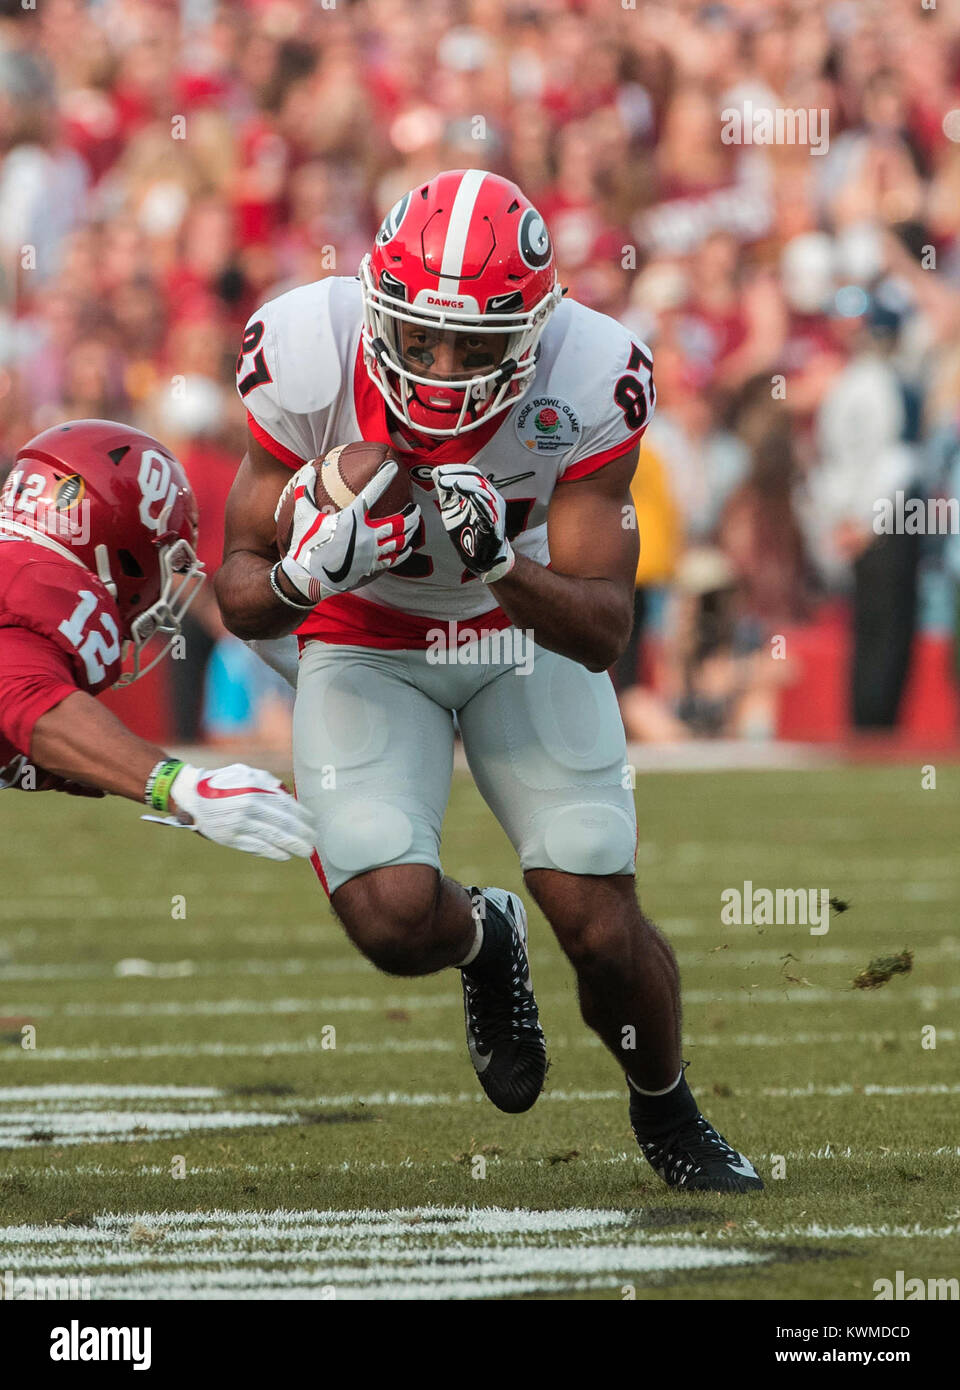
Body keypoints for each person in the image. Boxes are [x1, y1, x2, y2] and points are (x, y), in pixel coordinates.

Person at [215, 170, 762, 1191]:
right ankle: (484, 937)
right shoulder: (305, 350)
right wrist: (301, 574)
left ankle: (670, 1108)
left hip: (519, 641)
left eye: (474, 345)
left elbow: (603, 626)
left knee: (600, 918)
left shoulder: (591, 372)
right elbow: (238, 593)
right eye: (419, 337)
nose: (441, 366)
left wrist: (506, 565)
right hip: (367, 643)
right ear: (377, 305)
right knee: (389, 911)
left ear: (536, 332)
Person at [0, 418, 314, 863]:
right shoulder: (34, 583)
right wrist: (179, 786)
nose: (161, 580)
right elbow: (25, 700)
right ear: (116, 536)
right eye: (162, 556)